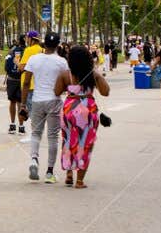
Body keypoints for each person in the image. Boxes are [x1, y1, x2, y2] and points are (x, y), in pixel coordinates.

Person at [58, 44, 110, 189]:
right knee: (85, 144)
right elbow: (106, 91)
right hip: (88, 109)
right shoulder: (92, 74)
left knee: (68, 140)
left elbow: (56, 91)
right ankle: (79, 181)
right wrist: (96, 75)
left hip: (69, 108)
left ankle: (69, 172)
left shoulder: (65, 74)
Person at [22, 34, 69, 183]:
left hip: (37, 99)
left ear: (44, 44)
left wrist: (23, 104)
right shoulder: (62, 62)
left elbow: (26, 82)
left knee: (36, 133)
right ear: (57, 45)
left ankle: (34, 160)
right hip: (54, 100)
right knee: (53, 136)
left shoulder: (33, 59)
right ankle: (49, 173)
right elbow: (67, 83)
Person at [3, 41, 25, 134]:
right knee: (20, 103)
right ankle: (21, 126)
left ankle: (12, 125)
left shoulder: (10, 56)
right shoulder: (24, 54)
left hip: (11, 80)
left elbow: (6, 69)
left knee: (12, 102)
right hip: (20, 80)